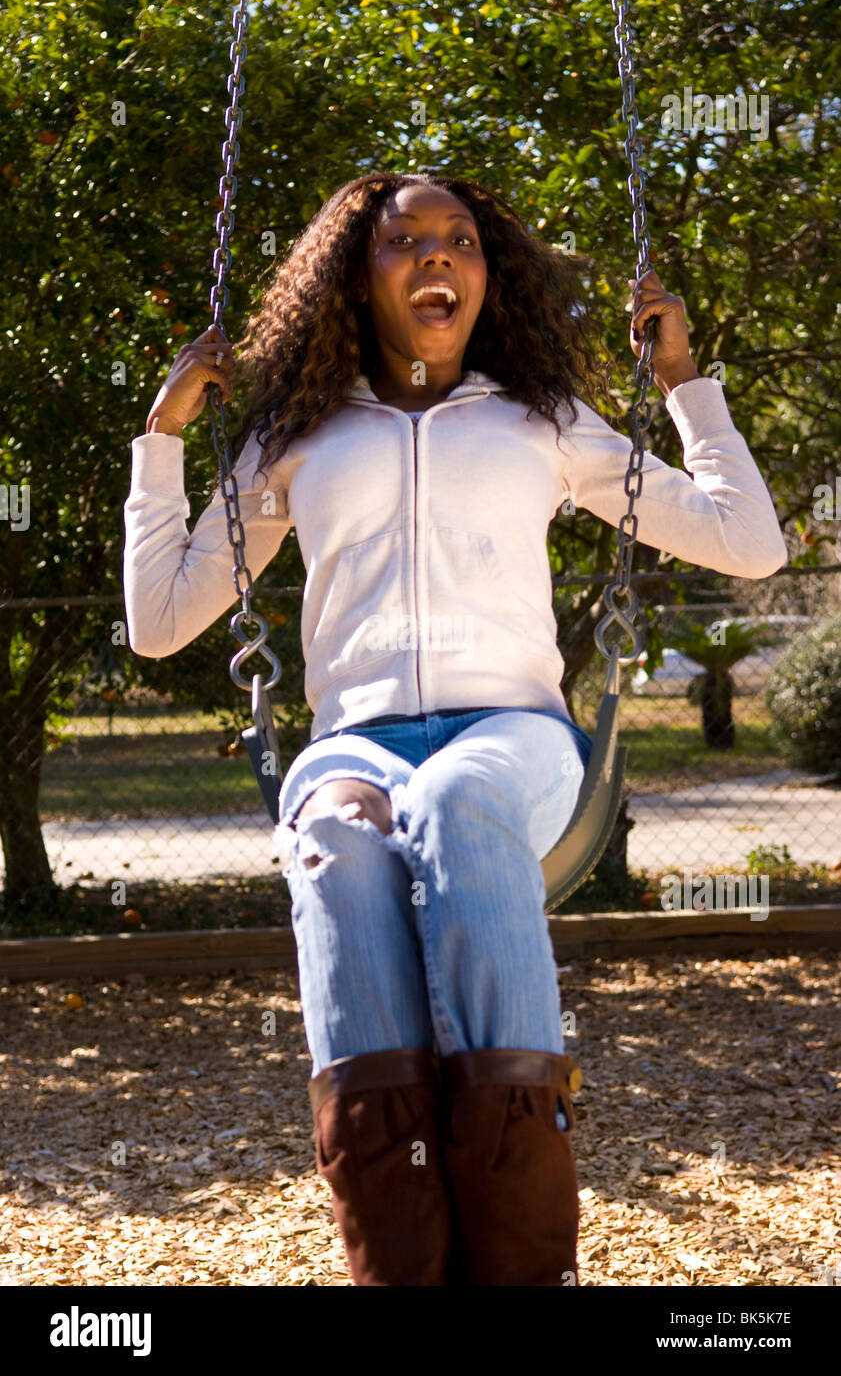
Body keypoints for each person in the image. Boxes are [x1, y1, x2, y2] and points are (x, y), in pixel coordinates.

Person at [124, 171, 787, 1286]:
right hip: (355, 741)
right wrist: (161, 440)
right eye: (404, 241)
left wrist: (683, 380)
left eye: (460, 239)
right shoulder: (298, 434)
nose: (437, 257)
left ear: (489, 272)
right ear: (357, 276)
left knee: (453, 802)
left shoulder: (543, 421)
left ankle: (526, 1258)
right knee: (334, 843)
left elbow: (749, 540)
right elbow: (157, 621)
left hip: (511, 735)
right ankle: (400, 1256)